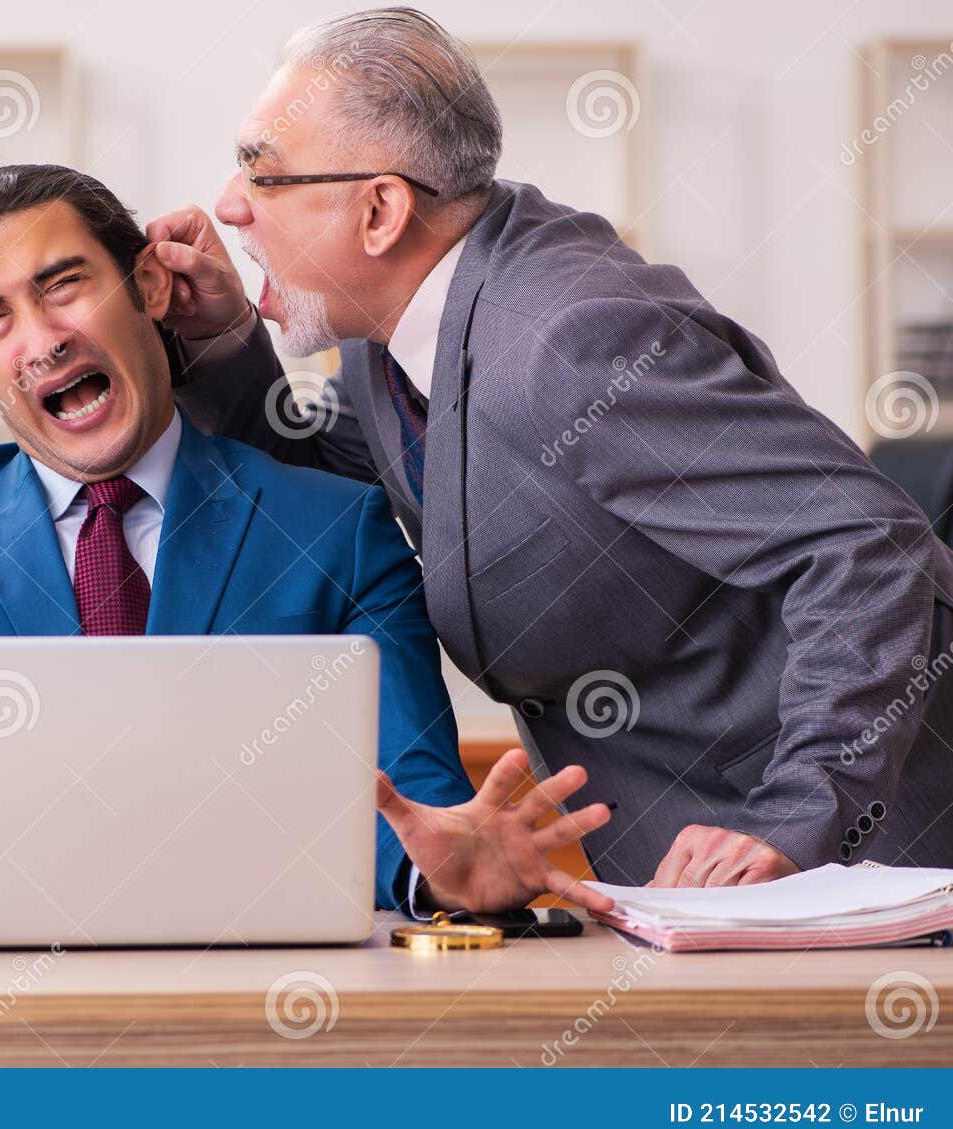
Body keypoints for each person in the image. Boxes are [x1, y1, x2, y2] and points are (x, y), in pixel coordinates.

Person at [148, 7, 953, 888]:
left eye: (262, 177)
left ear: (380, 211)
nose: (230, 207)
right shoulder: (389, 330)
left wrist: (803, 811)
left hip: (870, 860)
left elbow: (866, 546)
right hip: (689, 871)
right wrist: (225, 342)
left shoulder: (570, 341)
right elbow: (337, 504)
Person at [0, 164, 613, 931]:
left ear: (147, 288)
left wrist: (438, 875)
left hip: (255, 1027)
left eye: (63, 284)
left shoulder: (337, 529)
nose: (41, 338)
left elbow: (407, 807)